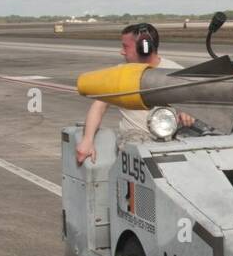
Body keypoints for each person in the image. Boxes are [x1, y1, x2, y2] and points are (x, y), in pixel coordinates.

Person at [74, 22, 188, 163]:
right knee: (135, 145)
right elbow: (99, 107)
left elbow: (199, 103)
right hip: (133, 145)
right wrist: (87, 140)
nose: (121, 52)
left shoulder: (176, 73)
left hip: (169, 142)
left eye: (125, 47)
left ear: (144, 48)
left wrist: (189, 110)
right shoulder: (121, 75)